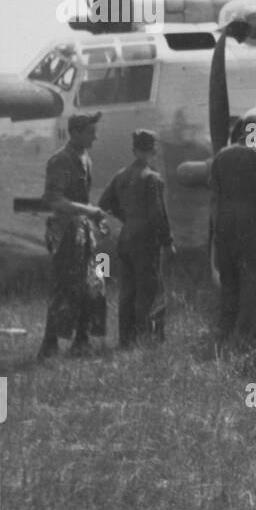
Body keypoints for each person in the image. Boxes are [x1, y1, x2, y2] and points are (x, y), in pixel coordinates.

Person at [38, 112, 109, 359]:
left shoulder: (85, 158)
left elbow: (83, 199)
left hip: (84, 230)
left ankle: (82, 338)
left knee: (94, 282)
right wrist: (87, 209)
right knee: (65, 286)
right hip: (66, 232)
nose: (95, 136)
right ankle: (50, 344)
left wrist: (94, 217)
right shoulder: (60, 160)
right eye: (91, 132)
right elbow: (53, 199)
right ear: (76, 133)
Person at [98, 129, 175, 347]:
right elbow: (158, 214)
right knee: (149, 290)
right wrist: (168, 242)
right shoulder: (152, 177)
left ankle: (126, 339)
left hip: (126, 237)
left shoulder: (120, 176)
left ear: (134, 149)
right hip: (146, 240)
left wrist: (127, 217)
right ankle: (148, 339)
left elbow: (104, 204)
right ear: (154, 149)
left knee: (127, 291)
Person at [209, 114, 256, 343]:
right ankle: (247, 334)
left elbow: (214, 199)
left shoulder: (222, 155)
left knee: (229, 280)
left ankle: (224, 329)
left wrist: (215, 230)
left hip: (224, 226)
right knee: (252, 279)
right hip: (252, 225)